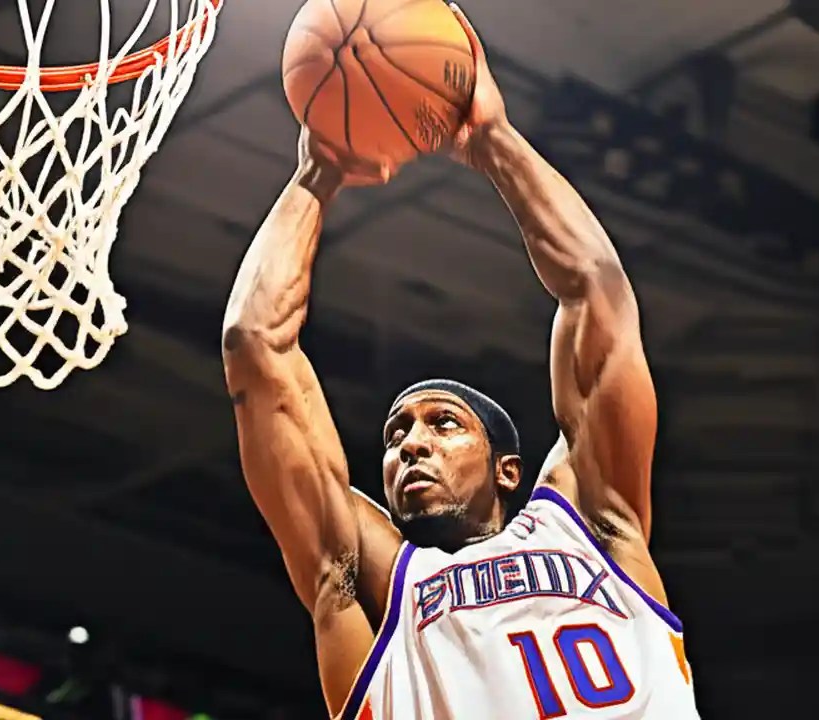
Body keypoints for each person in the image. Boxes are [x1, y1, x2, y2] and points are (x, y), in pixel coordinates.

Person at [220, 7, 700, 720]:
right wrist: (316, 175)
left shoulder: (596, 526)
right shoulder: (372, 579)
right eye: (394, 435)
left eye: (444, 423)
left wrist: (492, 140)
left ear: (510, 468)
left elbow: (596, 291)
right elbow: (253, 344)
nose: (410, 443)